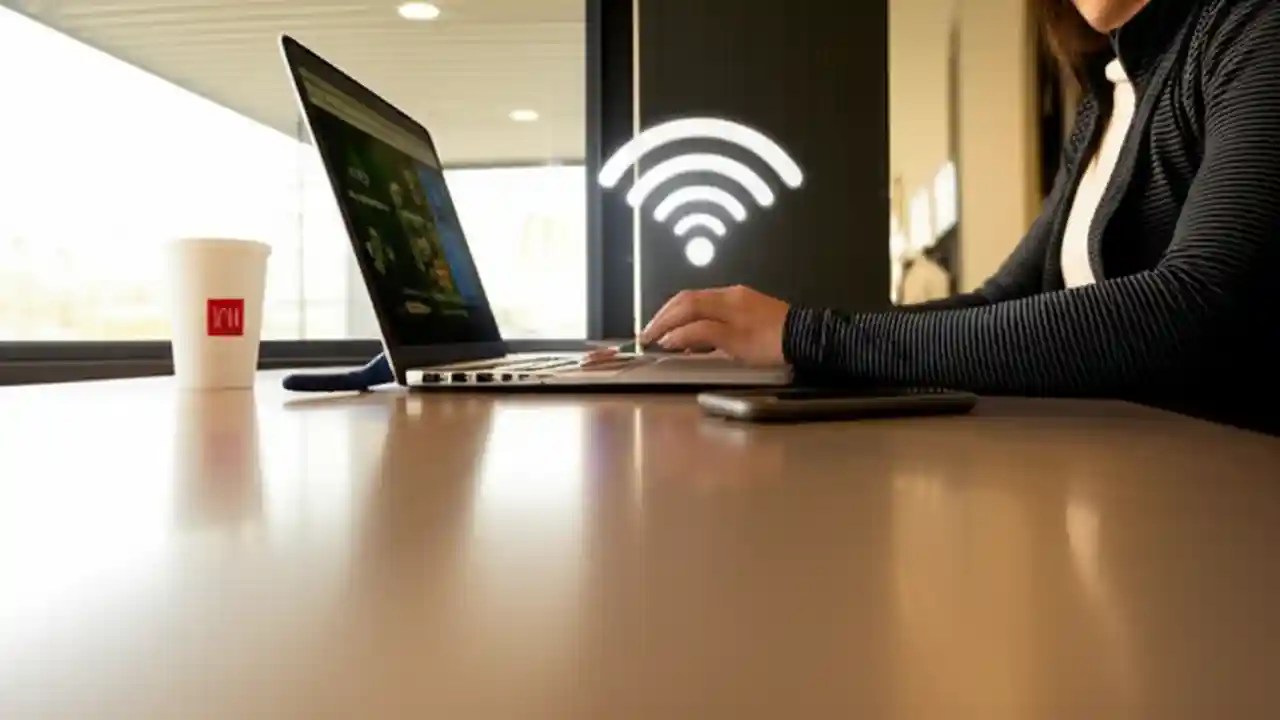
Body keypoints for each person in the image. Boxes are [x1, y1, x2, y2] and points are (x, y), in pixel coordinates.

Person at [635, 0, 1280, 434]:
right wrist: (790, 345)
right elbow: (1000, 300)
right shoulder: (1104, 100)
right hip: (1137, 487)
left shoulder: (1253, 31)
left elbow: (1196, 305)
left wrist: (813, 337)